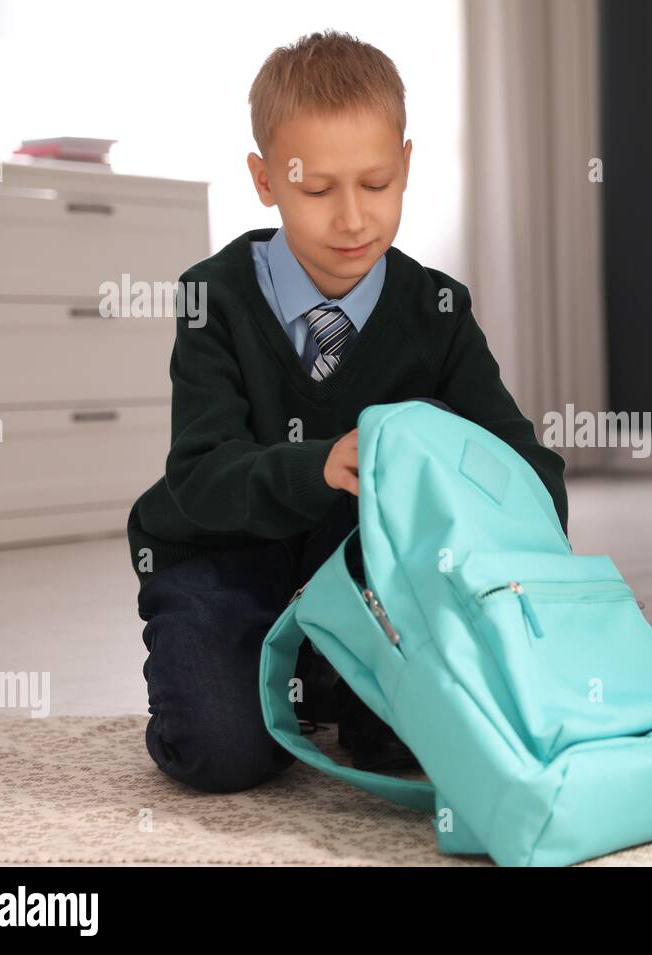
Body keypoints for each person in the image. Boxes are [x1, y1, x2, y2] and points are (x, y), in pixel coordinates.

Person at [127, 30, 568, 793]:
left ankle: (338, 677)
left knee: (411, 742)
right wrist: (318, 465)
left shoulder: (437, 307)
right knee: (222, 753)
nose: (354, 219)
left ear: (406, 165)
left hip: (372, 572)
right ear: (265, 180)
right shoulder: (214, 297)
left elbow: (525, 465)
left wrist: (514, 551)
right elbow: (200, 476)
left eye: (376, 182)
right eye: (318, 190)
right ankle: (276, 672)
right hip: (227, 557)